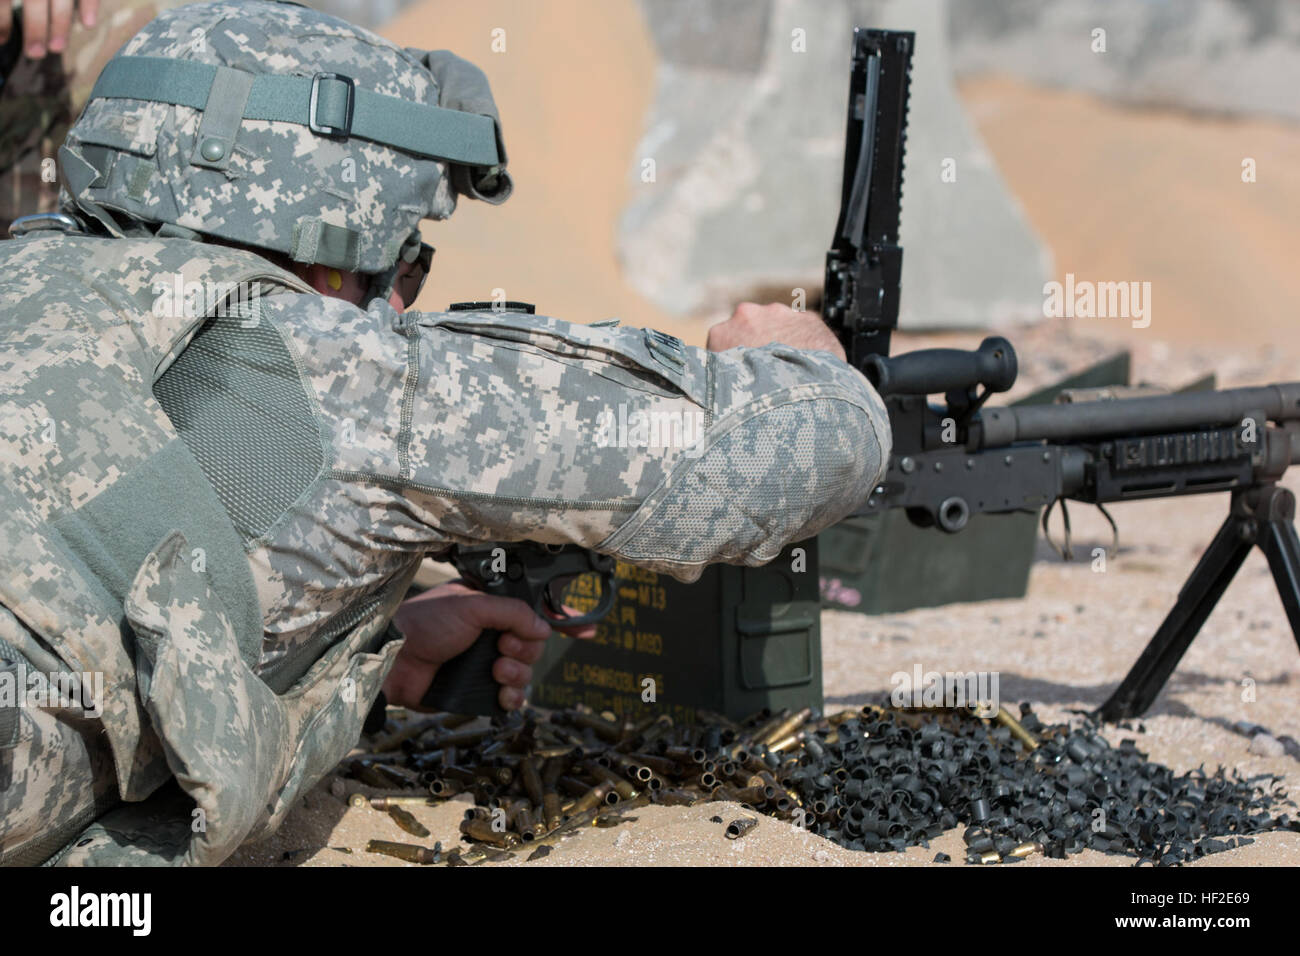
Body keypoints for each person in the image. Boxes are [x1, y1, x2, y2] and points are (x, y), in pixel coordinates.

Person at [0, 0, 890, 865]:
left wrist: (354, 670)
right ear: (330, 243)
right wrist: (805, 361)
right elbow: (793, 449)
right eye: (407, 260)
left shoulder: (25, 273)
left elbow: (102, 561)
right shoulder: (328, 368)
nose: (399, 297)